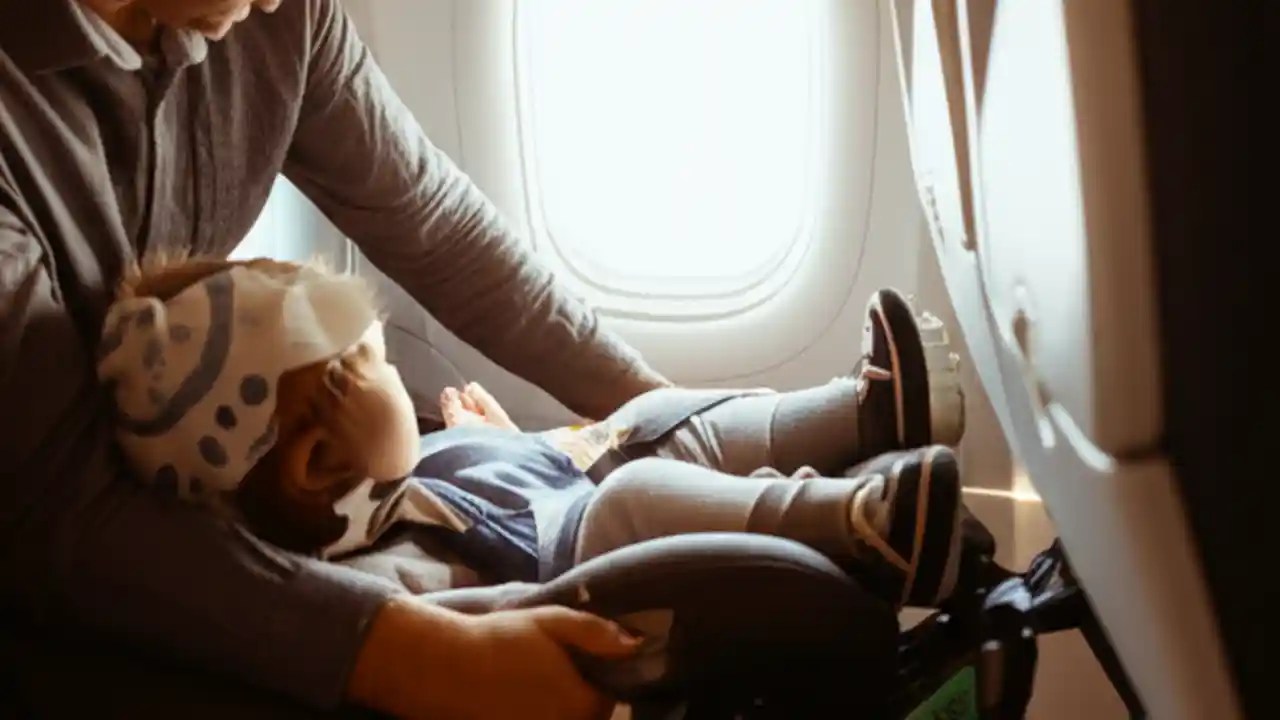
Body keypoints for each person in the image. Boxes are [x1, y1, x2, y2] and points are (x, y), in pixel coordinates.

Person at [0, 2, 956, 718]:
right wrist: (418, 655)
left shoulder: (273, 17)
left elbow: (436, 226)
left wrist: (667, 417)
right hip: (72, 574)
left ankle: (853, 428)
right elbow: (65, 510)